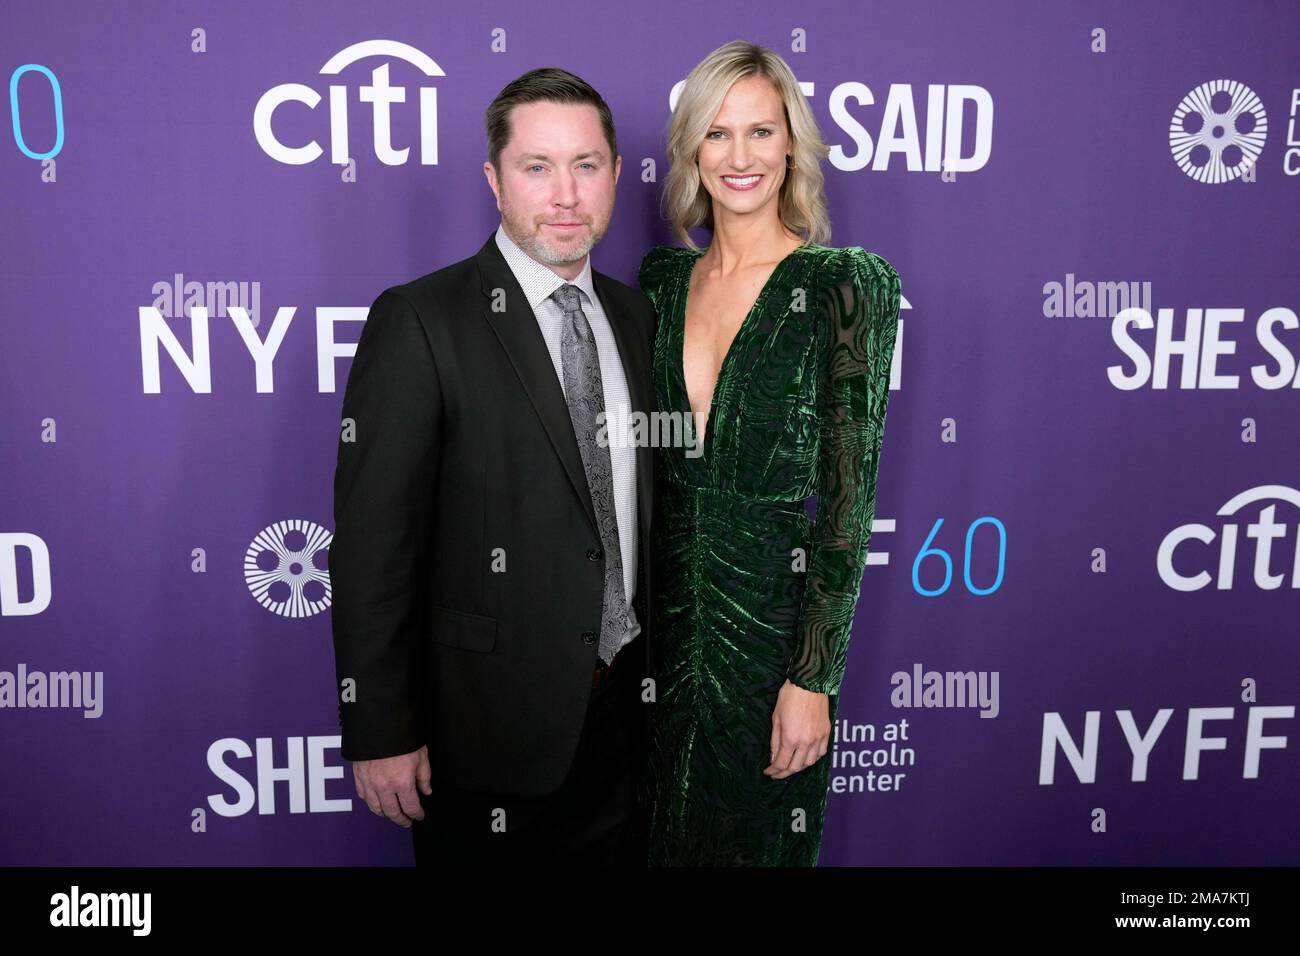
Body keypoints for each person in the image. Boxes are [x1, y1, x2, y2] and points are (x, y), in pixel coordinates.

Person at [329, 68, 657, 866]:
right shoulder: (420, 319)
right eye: (537, 167)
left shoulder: (638, 314)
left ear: (616, 173)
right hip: (483, 733)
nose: (566, 194)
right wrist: (381, 730)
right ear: (494, 180)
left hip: (627, 724)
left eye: (586, 165)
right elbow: (375, 544)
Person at [634, 41, 902, 866]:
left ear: (792, 144)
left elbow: (849, 502)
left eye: (760, 131)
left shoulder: (844, 284)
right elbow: (646, 457)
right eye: (717, 134)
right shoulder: (660, 282)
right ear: (690, 150)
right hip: (660, 642)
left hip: (772, 650)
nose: (740, 156)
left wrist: (812, 679)